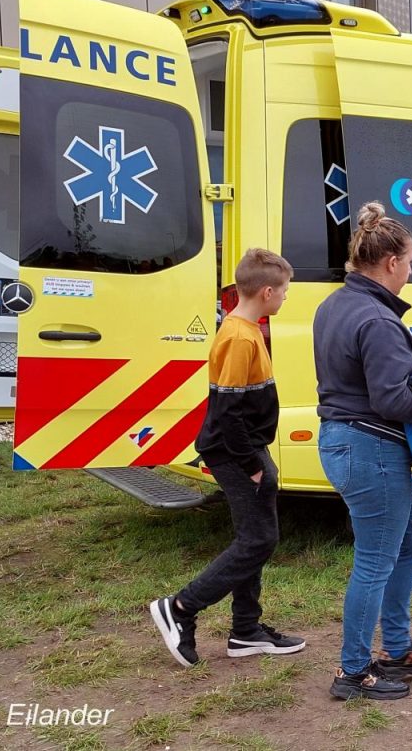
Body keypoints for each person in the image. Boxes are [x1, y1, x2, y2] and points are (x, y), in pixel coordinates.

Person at [315, 201, 412, 701]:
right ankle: (353, 671)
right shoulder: (378, 319)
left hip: (347, 441)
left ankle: (395, 646)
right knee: (374, 561)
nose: (411, 271)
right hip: (371, 449)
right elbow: (391, 398)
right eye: (410, 261)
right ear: (391, 262)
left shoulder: (334, 305)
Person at [150, 249, 306, 669]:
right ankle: (180, 608)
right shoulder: (239, 336)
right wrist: (253, 464)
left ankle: (246, 631)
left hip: (246, 448)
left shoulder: (246, 329)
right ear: (268, 291)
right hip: (238, 452)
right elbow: (228, 410)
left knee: (254, 538)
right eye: (285, 291)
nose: (286, 298)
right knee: (259, 540)